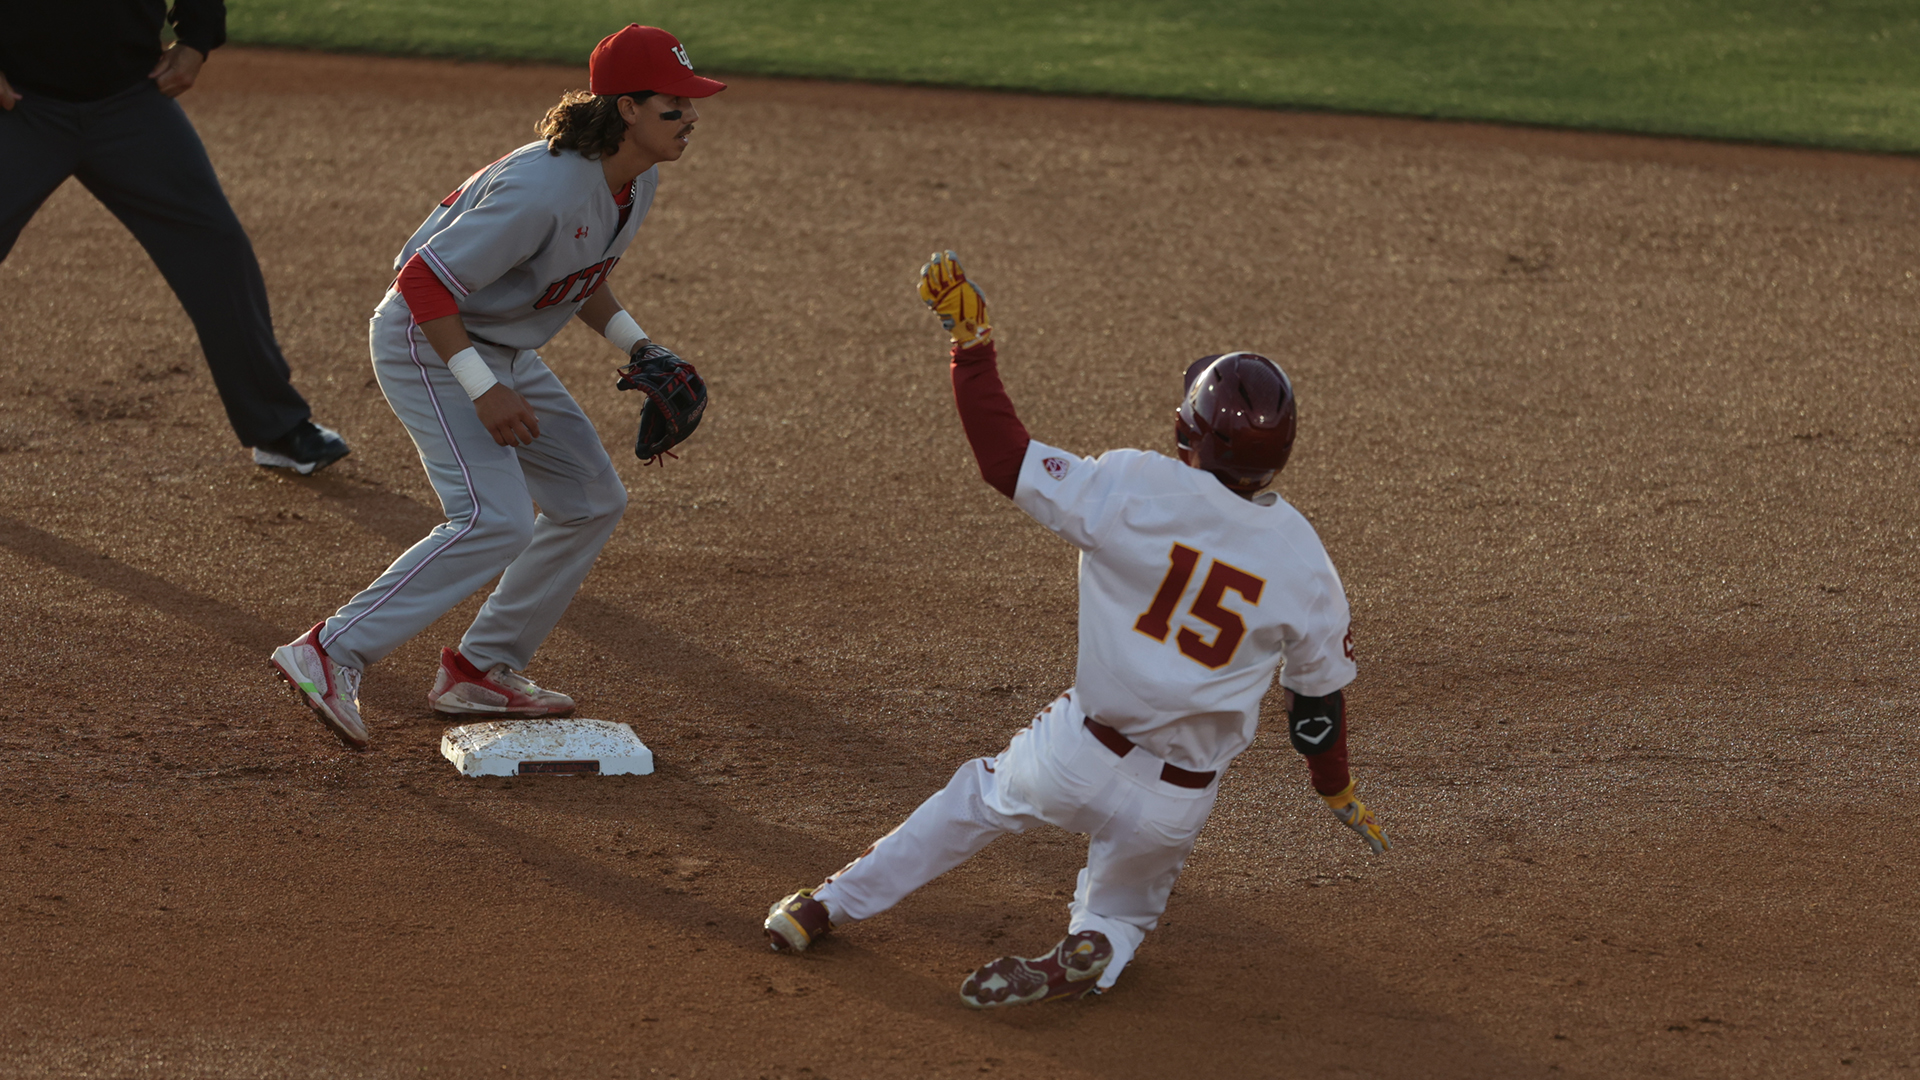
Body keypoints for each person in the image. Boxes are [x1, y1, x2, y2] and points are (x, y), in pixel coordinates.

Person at [763, 252, 1392, 1008]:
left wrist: (972, 348)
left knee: (976, 801)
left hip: (1075, 754)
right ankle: (1095, 941)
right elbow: (1315, 707)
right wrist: (1335, 787)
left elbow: (1005, 459)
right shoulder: (1307, 562)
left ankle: (822, 908)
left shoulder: (1135, 486)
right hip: (1177, 799)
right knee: (1123, 912)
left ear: (1187, 429)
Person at [269, 25, 724, 749]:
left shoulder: (635, 178)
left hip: (500, 347)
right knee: (494, 518)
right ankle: (329, 651)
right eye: (675, 104)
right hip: (430, 343)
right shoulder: (543, 189)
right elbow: (421, 282)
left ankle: (482, 668)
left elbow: (579, 276)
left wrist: (639, 345)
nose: (691, 116)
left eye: (692, 103)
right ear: (627, 108)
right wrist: (482, 388)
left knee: (590, 500)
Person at [0, 0, 350, 473]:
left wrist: (196, 39)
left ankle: (275, 424)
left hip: (130, 101)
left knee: (216, 249)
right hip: (18, 107)